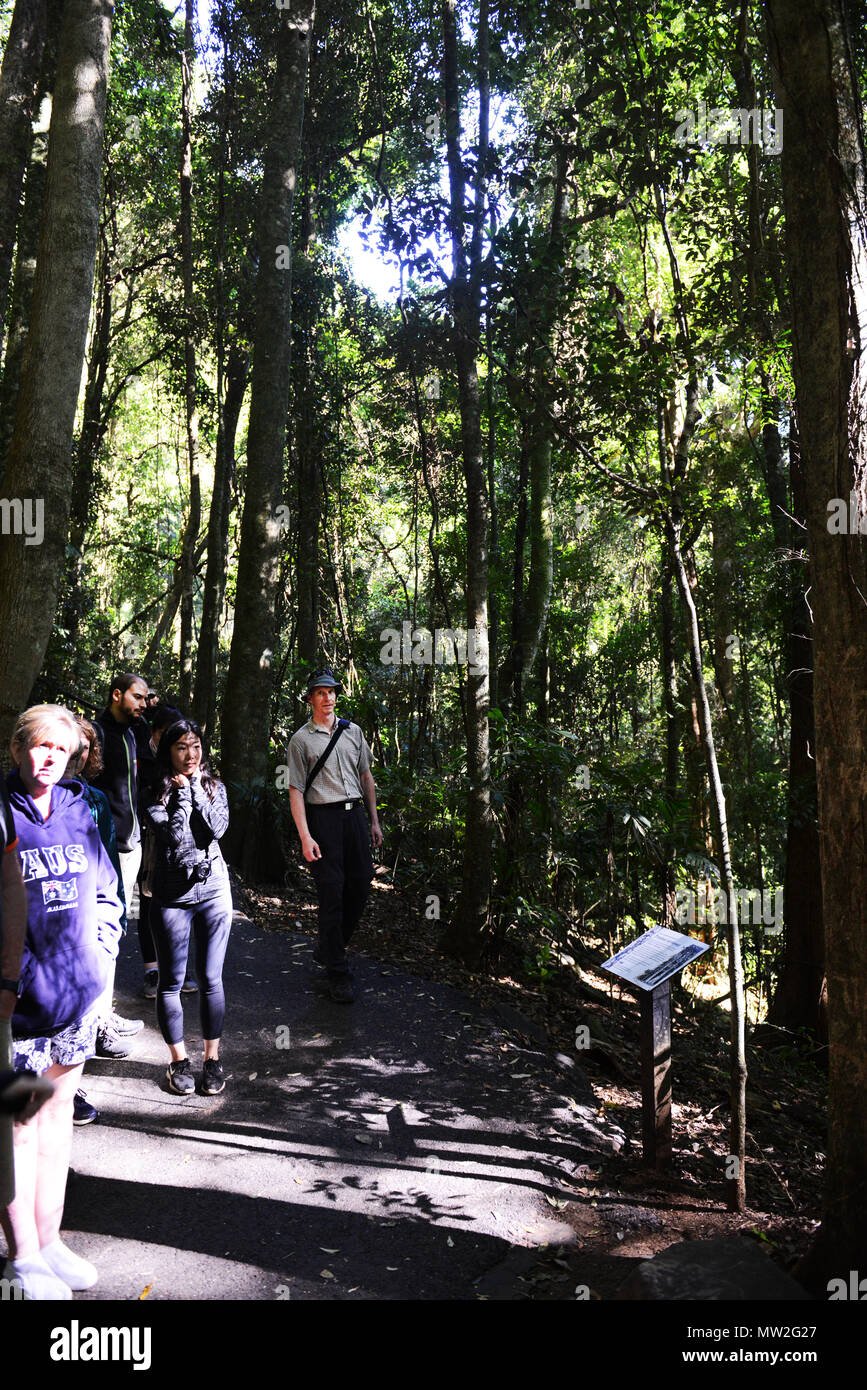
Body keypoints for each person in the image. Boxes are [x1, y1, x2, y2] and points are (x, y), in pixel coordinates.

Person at [1, 705, 123, 1298]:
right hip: (17, 1014)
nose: (47, 757)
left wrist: (100, 958)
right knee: (18, 1134)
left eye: (60, 748)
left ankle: (50, 1242)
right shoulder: (1, 815)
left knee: (57, 1124)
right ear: (17, 747)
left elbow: (105, 892)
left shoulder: (79, 810)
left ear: (74, 753)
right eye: (37, 745)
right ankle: (22, 1259)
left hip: (75, 1002)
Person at [146, 720, 232, 1096]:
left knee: (211, 978)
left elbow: (216, 829)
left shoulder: (214, 787)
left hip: (214, 892)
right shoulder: (153, 792)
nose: (190, 755)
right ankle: (178, 1060)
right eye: (181, 747)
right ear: (169, 751)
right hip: (172, 897)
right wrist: (182, 796)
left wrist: (196, 789)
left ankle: (212, 1060)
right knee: (172, 982)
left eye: (195, 746)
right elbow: (175, 836)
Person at [64, 718, 143, 1126]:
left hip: (88, 919)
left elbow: (108, 862)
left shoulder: (93, 799)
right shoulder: (17, 800)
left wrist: (112, 918)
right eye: (64, 747)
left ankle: (72, 1082)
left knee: (85, 993)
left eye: (80, 750)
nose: (72, 757)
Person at [287, 669, 382, 1003]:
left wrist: (373, 820)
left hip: (354, 817)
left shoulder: (353, 732)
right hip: (322, 820)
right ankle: (338, 972)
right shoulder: (301, 740)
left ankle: (329, 947)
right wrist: (305, 836)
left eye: (331, 692)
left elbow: (366, 776)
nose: (327, 698)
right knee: (332, 892)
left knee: (361, 882)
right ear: (310, 699)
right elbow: (296, 789)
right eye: (320, 693)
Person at [91, 672, 148, 1057]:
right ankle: (96, 1023)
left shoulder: (133, 733)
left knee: (115, 933)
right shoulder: (95, 734)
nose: (144, 703)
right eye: (138, 697)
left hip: (133, 844)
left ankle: (103, 1015)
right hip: (106, 848)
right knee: (102, 934)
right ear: (117, 695)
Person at [135, 703, 195, 1000]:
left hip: (181, 835)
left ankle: (180, 968)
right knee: (149, 902)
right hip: (149, 837)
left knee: (183, 901)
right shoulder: (143, 756)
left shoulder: (182, 758)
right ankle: (152, 970)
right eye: (166, 735)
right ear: (155, 732)